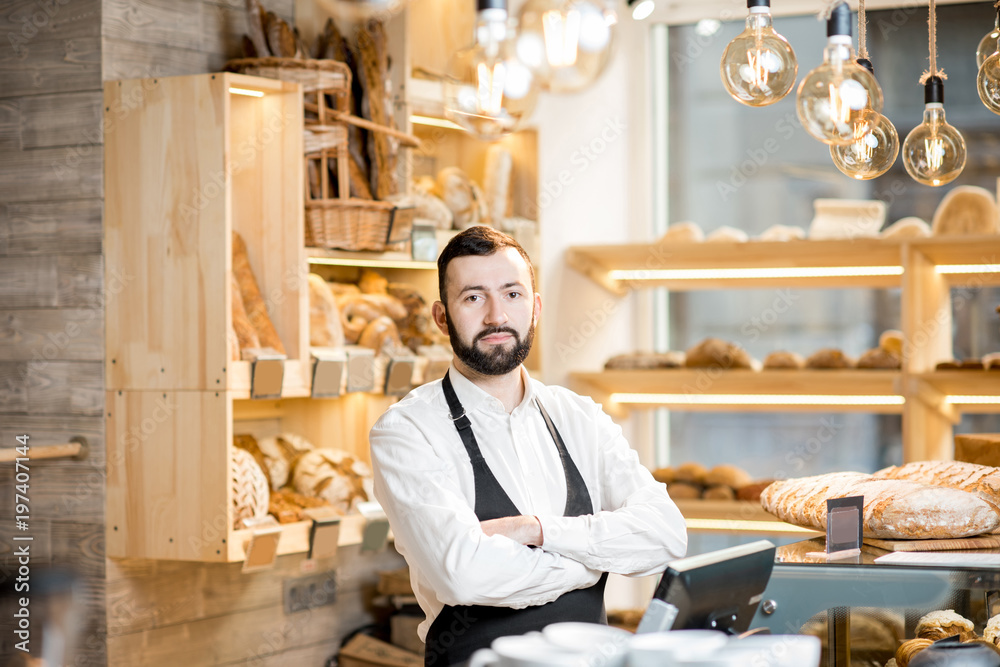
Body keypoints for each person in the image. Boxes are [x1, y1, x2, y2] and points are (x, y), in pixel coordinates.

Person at [369, 226, 687, 667]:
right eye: (474, 297)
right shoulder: (407, 431)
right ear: (442, 317)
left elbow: (666, 534)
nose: (497, 316)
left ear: (535, 308)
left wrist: (539, 530)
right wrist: (591, 564)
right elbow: (464, 574)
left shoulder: (578, 416)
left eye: (512, 294)